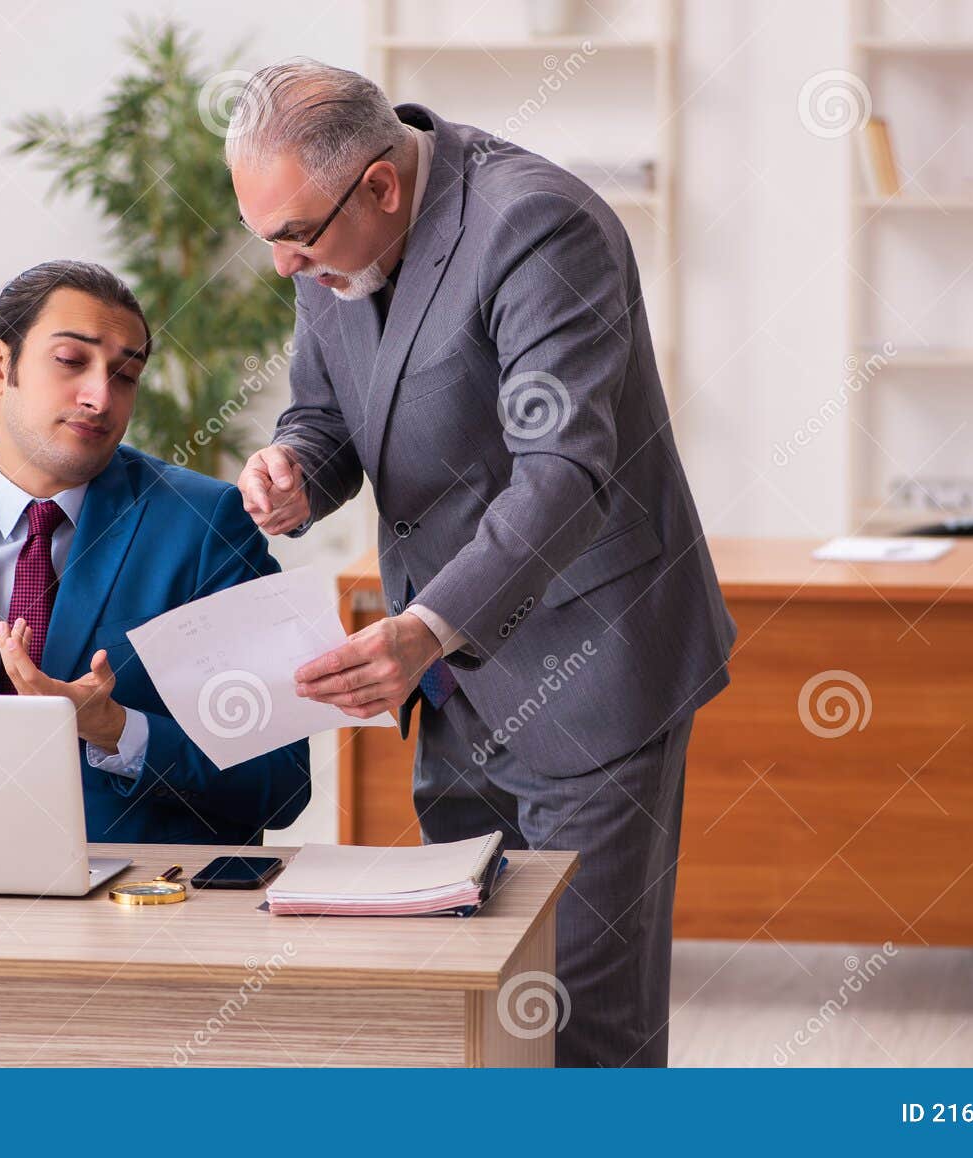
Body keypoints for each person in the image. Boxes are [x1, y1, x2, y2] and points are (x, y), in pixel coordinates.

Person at [229, 61, 735, 1066]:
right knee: (481, 1007)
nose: (285, 265)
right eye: (269, 240)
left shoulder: (537, 226)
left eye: (295, 238)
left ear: (379, 186)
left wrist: (422, 631)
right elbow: (328, 414)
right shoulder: (328, 241)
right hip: (454, 687)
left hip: (590, 671)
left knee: (587, 1025)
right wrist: (296, 471)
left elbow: (564, 475)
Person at [0, 259, 310, 845]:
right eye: (71, 361)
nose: (100, 395)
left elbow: (282, 781)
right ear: (0, 366)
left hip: (141, 906)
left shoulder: (205, 526)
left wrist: (117, 730)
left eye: (125, 375)